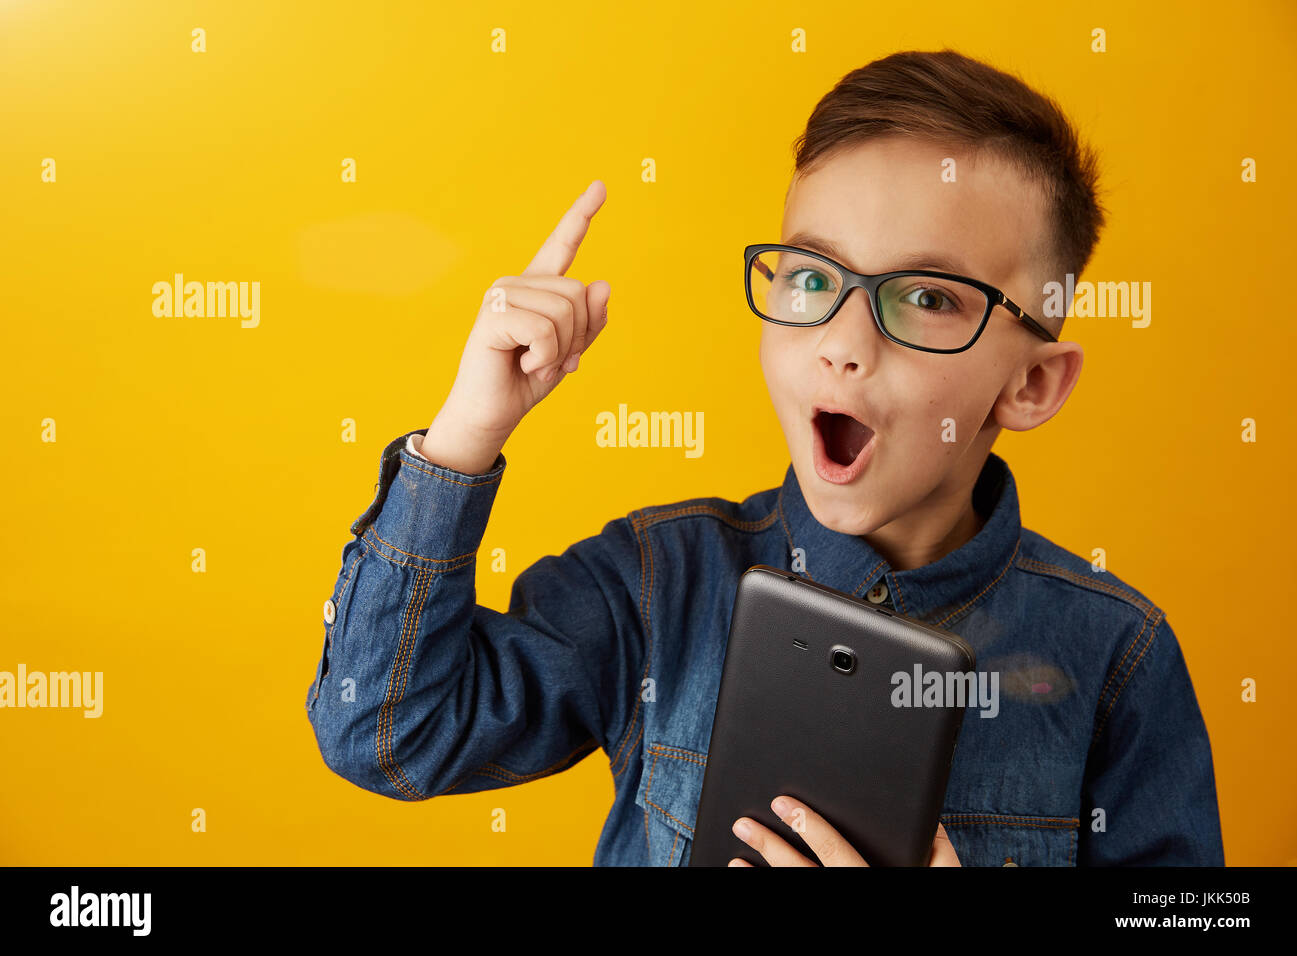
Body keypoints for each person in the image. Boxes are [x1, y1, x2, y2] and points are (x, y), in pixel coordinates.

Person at [305, 48, 1224, 867]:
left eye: (929, 298)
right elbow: (386, 734)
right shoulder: (659, 582)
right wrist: (467, 436)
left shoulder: (1116, 659)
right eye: (814, 277)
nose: (843, 341)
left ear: (1030, 385)